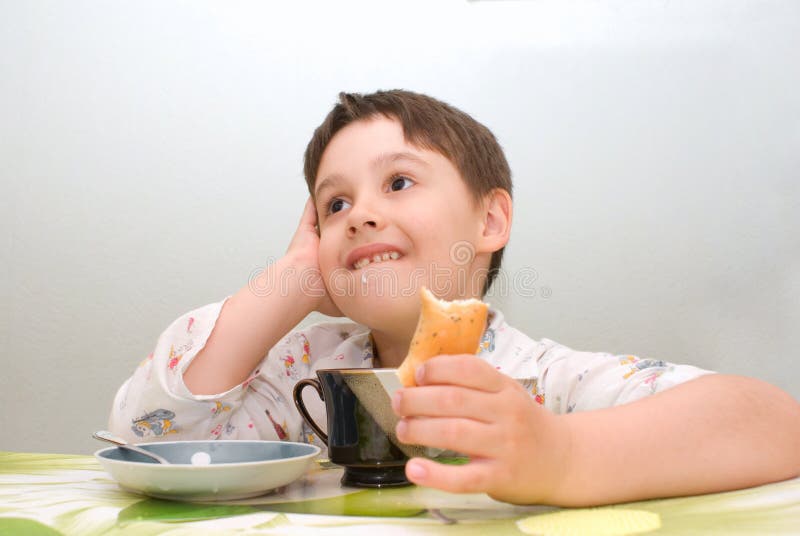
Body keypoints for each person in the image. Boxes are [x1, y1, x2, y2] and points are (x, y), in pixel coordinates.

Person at [109, 89, 800, 506]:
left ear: (490, 222)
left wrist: (560, 454)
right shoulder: (300, 378)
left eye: (399, 183)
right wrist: (291, 278)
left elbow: (774, 424)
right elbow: (151, 443)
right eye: (335, 204)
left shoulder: (540, 386)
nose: (360, 214)